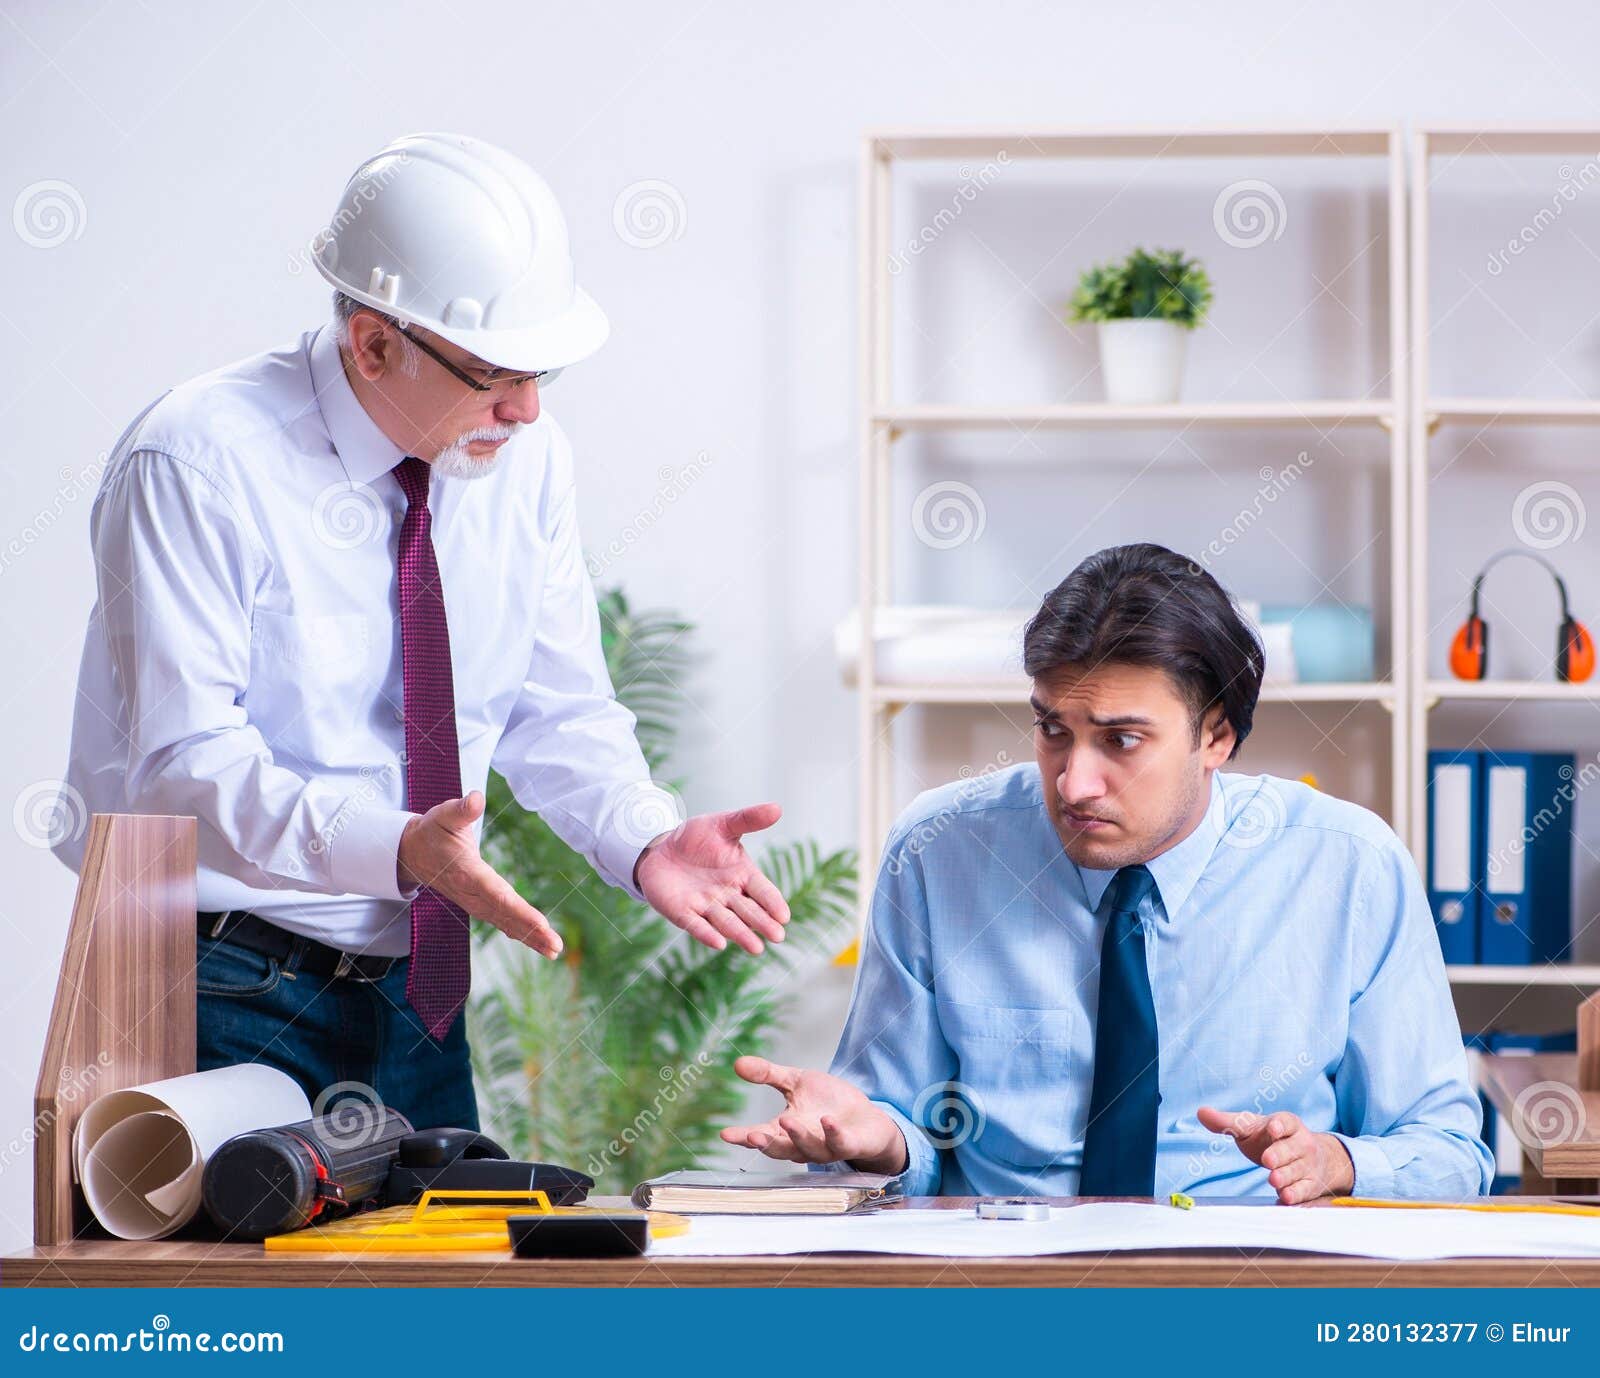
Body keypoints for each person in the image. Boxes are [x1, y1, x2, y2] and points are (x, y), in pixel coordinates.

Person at [55, 133, 790, 1131]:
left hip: (419, 992)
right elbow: (181, 764)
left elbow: (554, 703)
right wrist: (393, 846)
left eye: (543, 374)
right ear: (371, 343)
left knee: (441, 1284)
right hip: (222, 978)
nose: (527, 409)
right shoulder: (197, 461)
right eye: (495, 373)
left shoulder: (522, 458)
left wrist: (645, 835)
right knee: (231, 1289)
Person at [722, 543, 1492, 1202]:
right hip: (1008, 1286)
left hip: (1247, 1280)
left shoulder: (1346, 865)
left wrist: (1340, 1160)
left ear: (1216, 736)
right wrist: (876, 1139)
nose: (1074, 783)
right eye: (1053, 729)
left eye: (1122, 740)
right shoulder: (940, 851)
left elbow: (1452, 1152)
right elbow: (900, 1133)